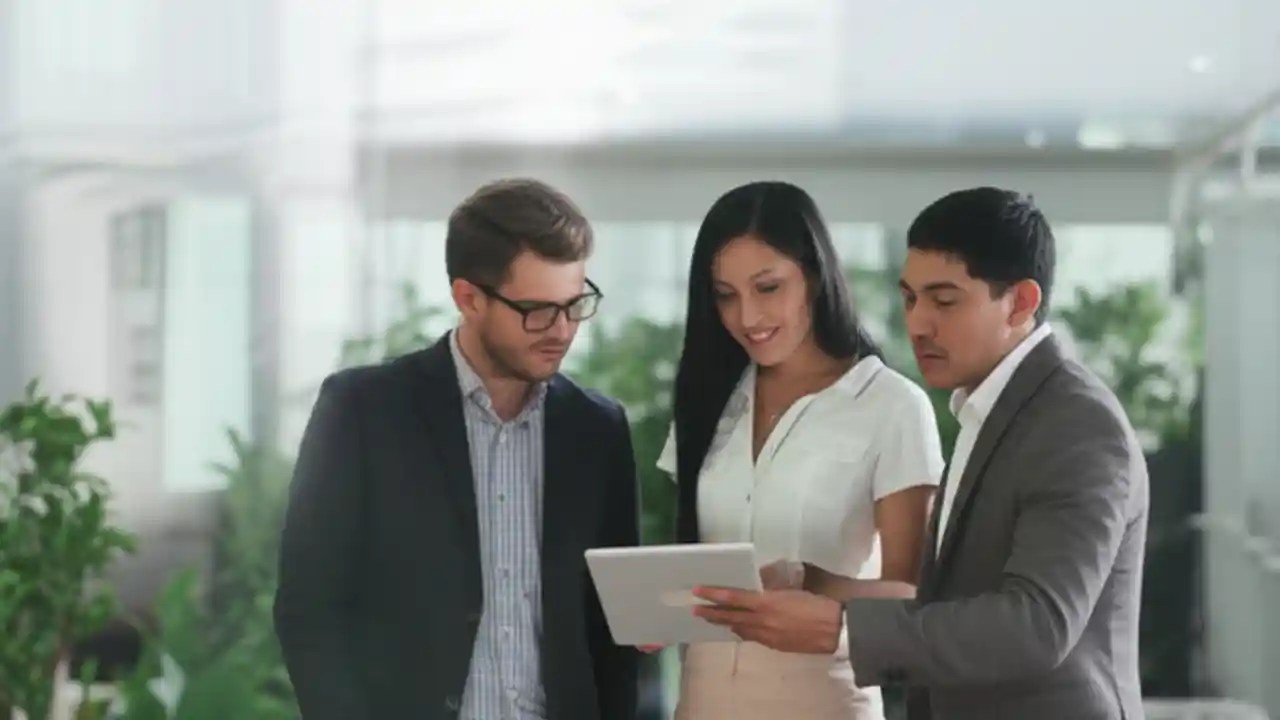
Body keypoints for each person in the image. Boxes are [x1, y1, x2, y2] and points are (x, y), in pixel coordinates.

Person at [692, 187, 1150, 720]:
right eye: (910, 299)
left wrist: (838, 627)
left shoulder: (1075, 424)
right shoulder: (987, 412)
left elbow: (1038, 624)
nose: (917, 324)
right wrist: (809, 580)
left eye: (945, 300)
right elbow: (946, 596)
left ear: (1021, 302)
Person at [274, 178, 640, 720]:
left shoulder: (598, 428)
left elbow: (612, 624)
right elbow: (309, 608)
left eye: (575, 304)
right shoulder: (361, 410)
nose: (562, 331)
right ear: (468, 297)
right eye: (538, 310)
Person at [654, 181, 944, 719]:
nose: (747, 316)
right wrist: (660, 608)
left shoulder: (891, 406)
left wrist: (811, 583)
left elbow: (914, 599)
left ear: (813, 275)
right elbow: (701, 558)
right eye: (725, 295)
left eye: (768, 287)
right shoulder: (709, 398)